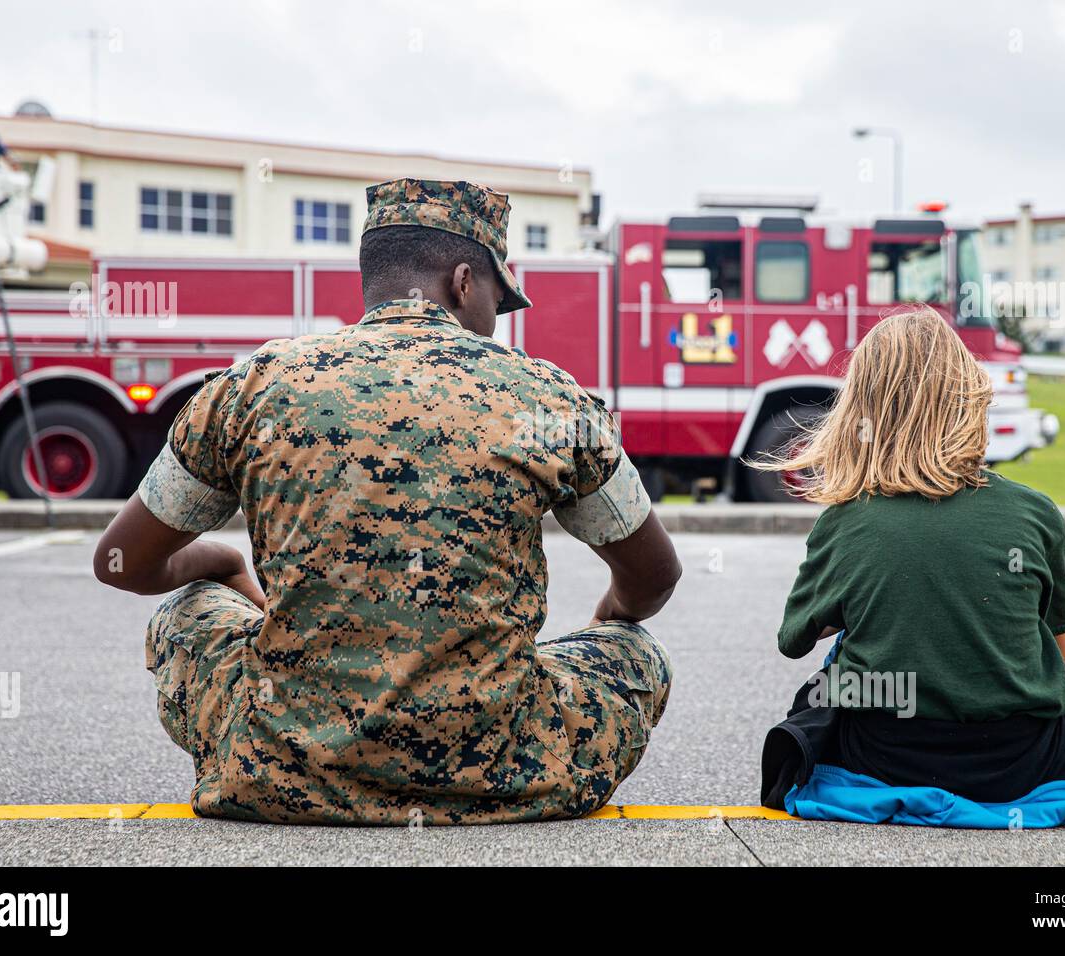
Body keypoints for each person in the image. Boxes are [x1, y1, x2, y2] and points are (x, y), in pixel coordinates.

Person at [94, 178, 680, 825]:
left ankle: (276, 764)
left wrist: (216, 565)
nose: (495, 318)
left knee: (187, 614)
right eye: (495, 298)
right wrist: (611, 616)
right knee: (635, 651)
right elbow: (654, 576)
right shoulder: (548, 398)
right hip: (506, 768)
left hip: (278, 769)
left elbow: (122, 561)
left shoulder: (251, 386)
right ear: (464, 282)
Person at [756, 307, 1065, 825]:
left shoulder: (848, 520)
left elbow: (793, 640)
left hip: (884, 756)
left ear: (860, 411)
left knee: (830, 678)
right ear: (969, 399)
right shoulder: (1035, 512)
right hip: (1020, 763)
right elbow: (1063, 648)